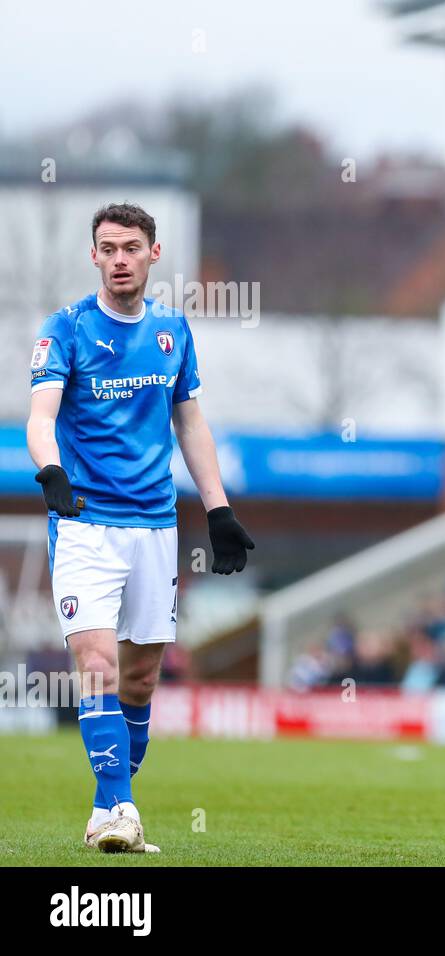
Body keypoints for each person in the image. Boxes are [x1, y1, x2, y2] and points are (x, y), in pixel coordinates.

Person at [28, 202, 255, 853]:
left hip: (155, 527)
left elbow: (189, 420)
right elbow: (41, 415)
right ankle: (120, 806)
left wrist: (218, 510)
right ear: (93, 256)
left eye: (131, 247)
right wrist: (51, 472)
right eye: (107, 248)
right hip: (83, 523)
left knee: (140, 679)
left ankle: (109, 811)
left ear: (154, 253)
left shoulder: (172, 330)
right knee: (95, 663)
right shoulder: (65, 329)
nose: (119, 258)